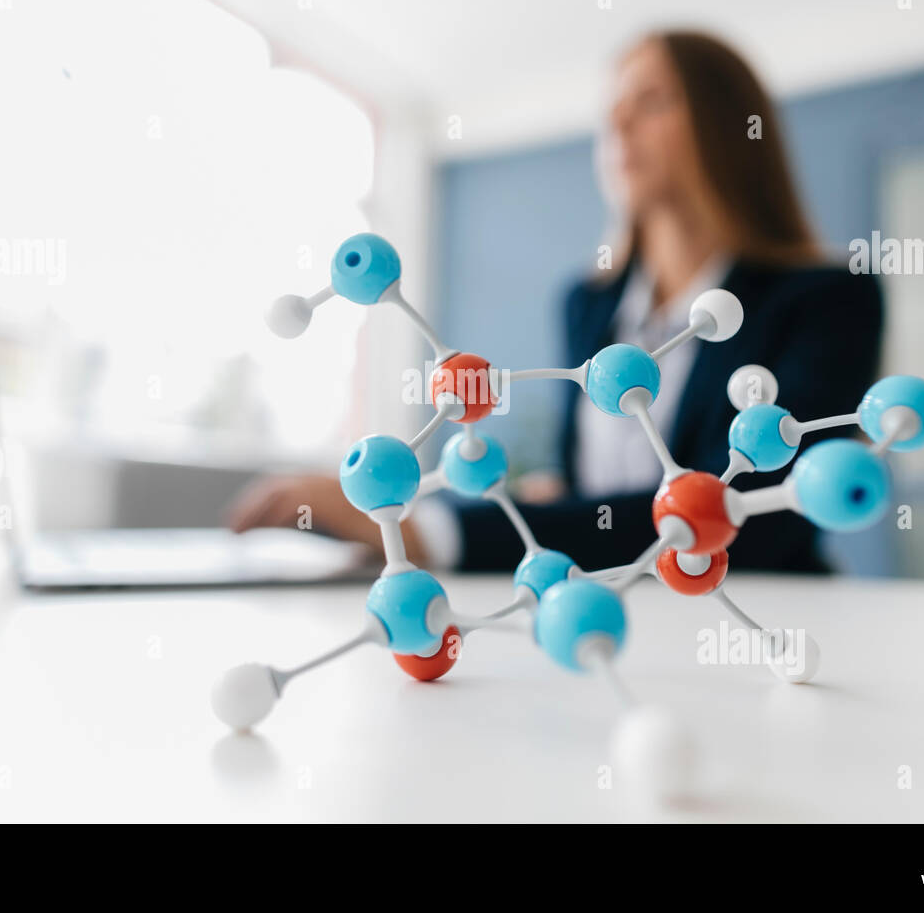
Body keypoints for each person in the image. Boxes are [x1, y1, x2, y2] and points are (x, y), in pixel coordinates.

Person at [229, 30, 883, 574]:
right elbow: (593, 498)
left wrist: (431, 532)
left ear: (728, 129)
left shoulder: (828, 299)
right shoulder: (587, 306)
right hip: (602, 603)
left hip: (761, 613)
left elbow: (746, 512)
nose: (619, 123)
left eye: (652, 100)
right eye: (612, 109)